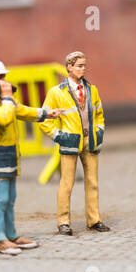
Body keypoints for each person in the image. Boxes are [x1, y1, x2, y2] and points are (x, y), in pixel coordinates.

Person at [0, 59, 65, 255]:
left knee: (10, 198)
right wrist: (7, 97)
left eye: (4, 76)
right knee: (0, 199)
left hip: (9, 152)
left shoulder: (0, 95)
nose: (3, 80)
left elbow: (21, 110)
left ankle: (12, 235)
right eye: (0, 77)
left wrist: (47, 113)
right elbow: (4, 118)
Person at [40, 51, 107, 235]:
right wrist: (59, 136)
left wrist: (99, 131)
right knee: (66, 183)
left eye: (84, 65)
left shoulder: (92, 90)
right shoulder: (56, 92)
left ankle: (94, 220)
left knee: (92, 182)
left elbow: (99, 114)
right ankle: (63, 222)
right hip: (70, 142)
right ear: (69, 67)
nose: (82, 69)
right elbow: (45, 119)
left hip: (90, 141)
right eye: (79, 65)